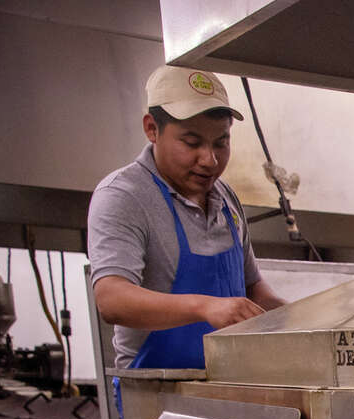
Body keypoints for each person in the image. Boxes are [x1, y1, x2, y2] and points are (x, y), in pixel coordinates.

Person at [88, 65, 286, 372]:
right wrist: (205, 307)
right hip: (157, 398)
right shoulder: (124, 195)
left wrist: (306, 319)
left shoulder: (226, 200)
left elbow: (253, 289)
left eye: (221, 142)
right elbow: (111, 298)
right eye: (192, 143)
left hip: (234, 386)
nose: (210, 160)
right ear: (152, 128)